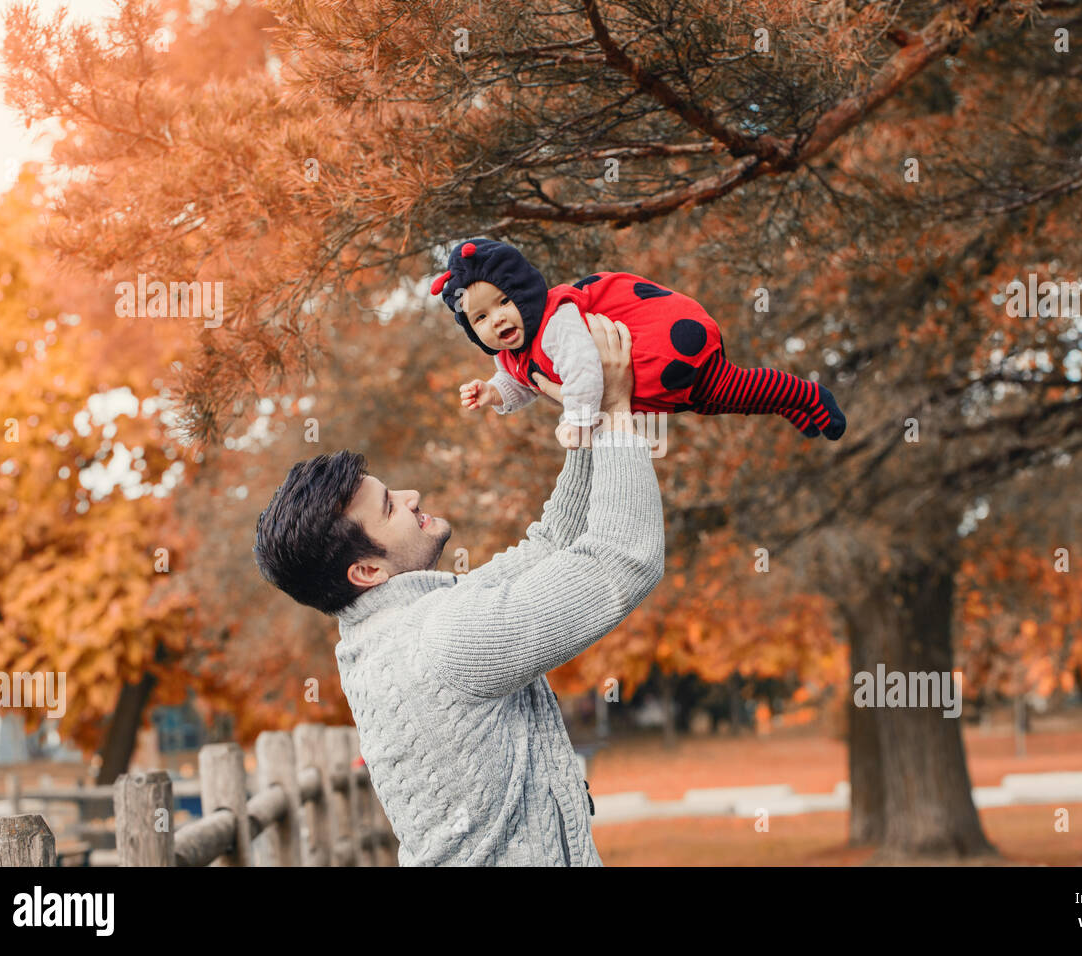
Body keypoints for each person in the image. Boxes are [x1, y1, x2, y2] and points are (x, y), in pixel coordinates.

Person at [253, 315, 663, 865]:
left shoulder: (395, 630)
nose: (413, 494)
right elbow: (622, 560)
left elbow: (551, 545)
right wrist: (618, 414)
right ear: (366, 571)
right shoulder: (442, 638)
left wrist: (585, 418)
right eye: (390, 507)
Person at [433, 237, 847, 445]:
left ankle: (809, 395)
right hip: (665, 386)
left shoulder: (556, 323)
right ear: (474, 330)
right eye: (482, 317)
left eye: (504, 301)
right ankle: (792, 404)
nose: (498, 318)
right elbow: (525, 384)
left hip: (667, 354)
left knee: (733, 386)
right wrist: (493, 392)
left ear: (523, 293)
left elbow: (584, 371)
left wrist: (576, 422)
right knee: (730, 399)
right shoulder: (513, 356)